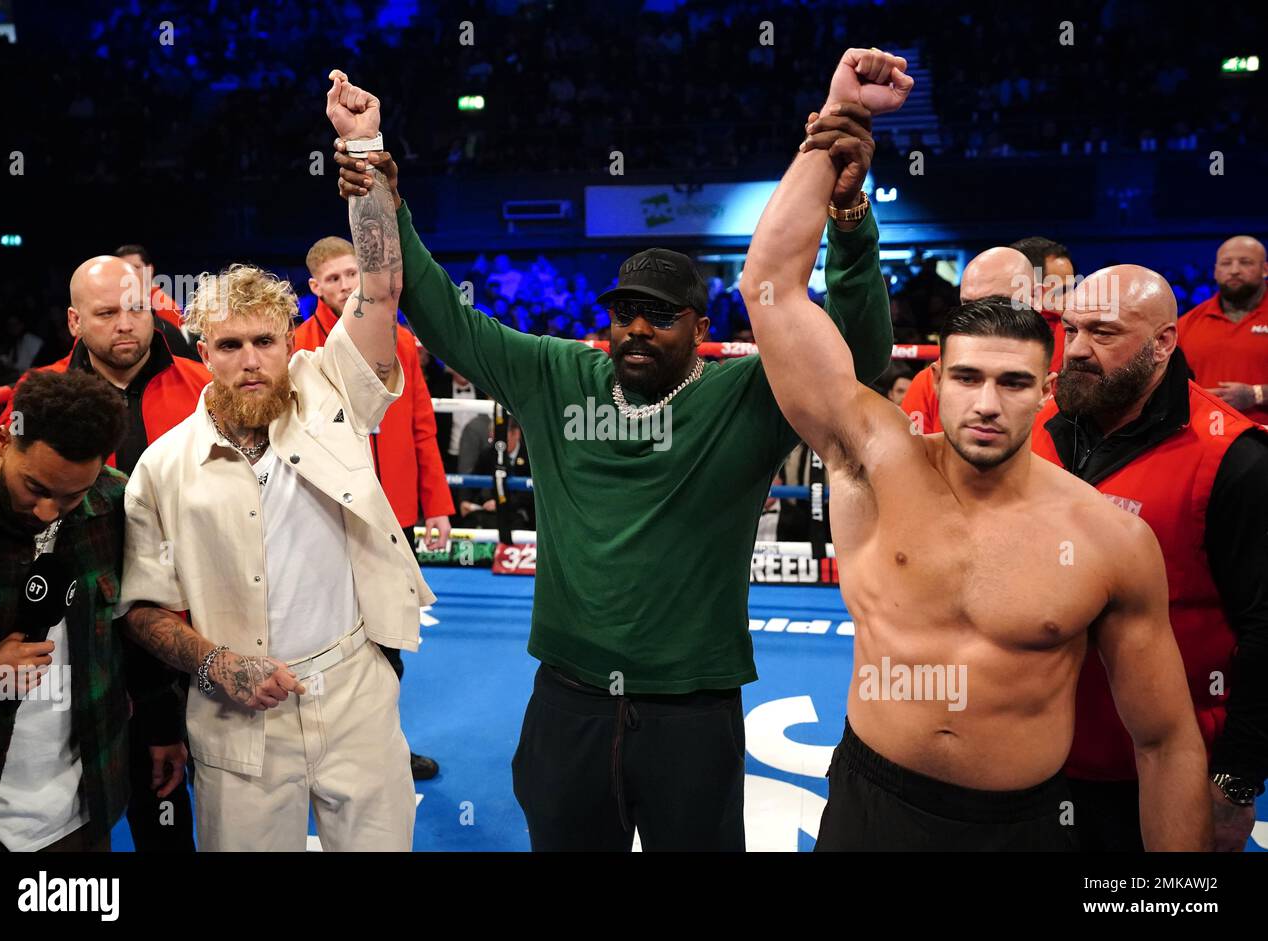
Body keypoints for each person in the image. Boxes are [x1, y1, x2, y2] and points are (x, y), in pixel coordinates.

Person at [333, 62, 894, 850]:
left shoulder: (747, 396)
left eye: (659, 317)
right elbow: (441, 317)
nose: (635, 328)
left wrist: (850, 218)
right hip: (568, 701)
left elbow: (859, 363)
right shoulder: (557, 374)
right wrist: (377, 184)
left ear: (699, 328)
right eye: (625, 312)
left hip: (693, 709)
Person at [742, 48, 1210, 851]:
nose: (986, 403)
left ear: (1048, 390)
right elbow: (771, 288)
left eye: (1012, 383)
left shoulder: (1108, 539)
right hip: (870, 802)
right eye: (966, 377)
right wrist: (835, 125)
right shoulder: (874, 460)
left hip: (1018, 824)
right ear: (939, 379)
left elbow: (1165, 742)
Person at [117, 70, 434, 851]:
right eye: (231, 344)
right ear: (203, 349)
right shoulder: (162, 466)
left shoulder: (331, 386)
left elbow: (382, 289)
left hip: (356, 689)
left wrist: (364, 148)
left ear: (290, 342)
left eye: (266, 340)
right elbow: (143, 608)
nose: (252, 359)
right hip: (235, 712)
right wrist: (216, 663)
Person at [1031, 265, 1268, 851]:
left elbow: (1266, 630)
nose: (1078, 350)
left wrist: (1235, 782)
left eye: (1104, 333)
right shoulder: (1034, 427)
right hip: (1029, 765)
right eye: (1072, 328)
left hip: (1161, 778)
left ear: (1163, 343)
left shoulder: (1235, 460)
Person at [0, 254, 205, 851]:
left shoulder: (204, 390)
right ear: (74, 320)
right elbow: (8, 513)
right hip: (86, 633)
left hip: (194, 622)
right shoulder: (37, 398)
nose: (126, 324)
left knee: (178, 807)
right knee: (81, 806)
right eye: (107, 312)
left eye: (136, 308)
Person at [0, 370, 184, 852]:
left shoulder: (114, 503)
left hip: (80, 811)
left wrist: (162, 726)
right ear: (4, 438)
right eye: (36, 487)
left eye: (71, 495)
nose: (48, 510)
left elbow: (134, 629)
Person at [297, 235, 453, 781]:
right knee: (325, 633)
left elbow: (421, 427)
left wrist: (437, 506)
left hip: (392, 515)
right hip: (323, 516)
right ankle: (324, 747)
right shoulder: (297, 348)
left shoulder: (402, 342)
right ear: (314, 287)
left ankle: (387, 747)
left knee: (389, 633)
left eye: (351, 275)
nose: (343, 286)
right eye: (332, 279)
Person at [898, 247, 1039, 434]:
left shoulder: (1067, 370)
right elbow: (910, 457)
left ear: (1034, 299)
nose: (980, 318)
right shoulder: (931, 381)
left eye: (997, 304)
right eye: (969, 306)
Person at [1177, 235, 1268, 425]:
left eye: (1245, 262)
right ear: (1215, 272)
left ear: (1265, 269)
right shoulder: (1186, 324)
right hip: (1206, 440)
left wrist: (1256, 395)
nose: (1234, 270)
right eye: (1226, 263)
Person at [114, 243, 200, 362]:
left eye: (136, 267)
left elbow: (176, 352)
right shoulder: (121, 302)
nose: (130, 273)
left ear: (150, 270)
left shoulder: (164, 305)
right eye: (123, 268)